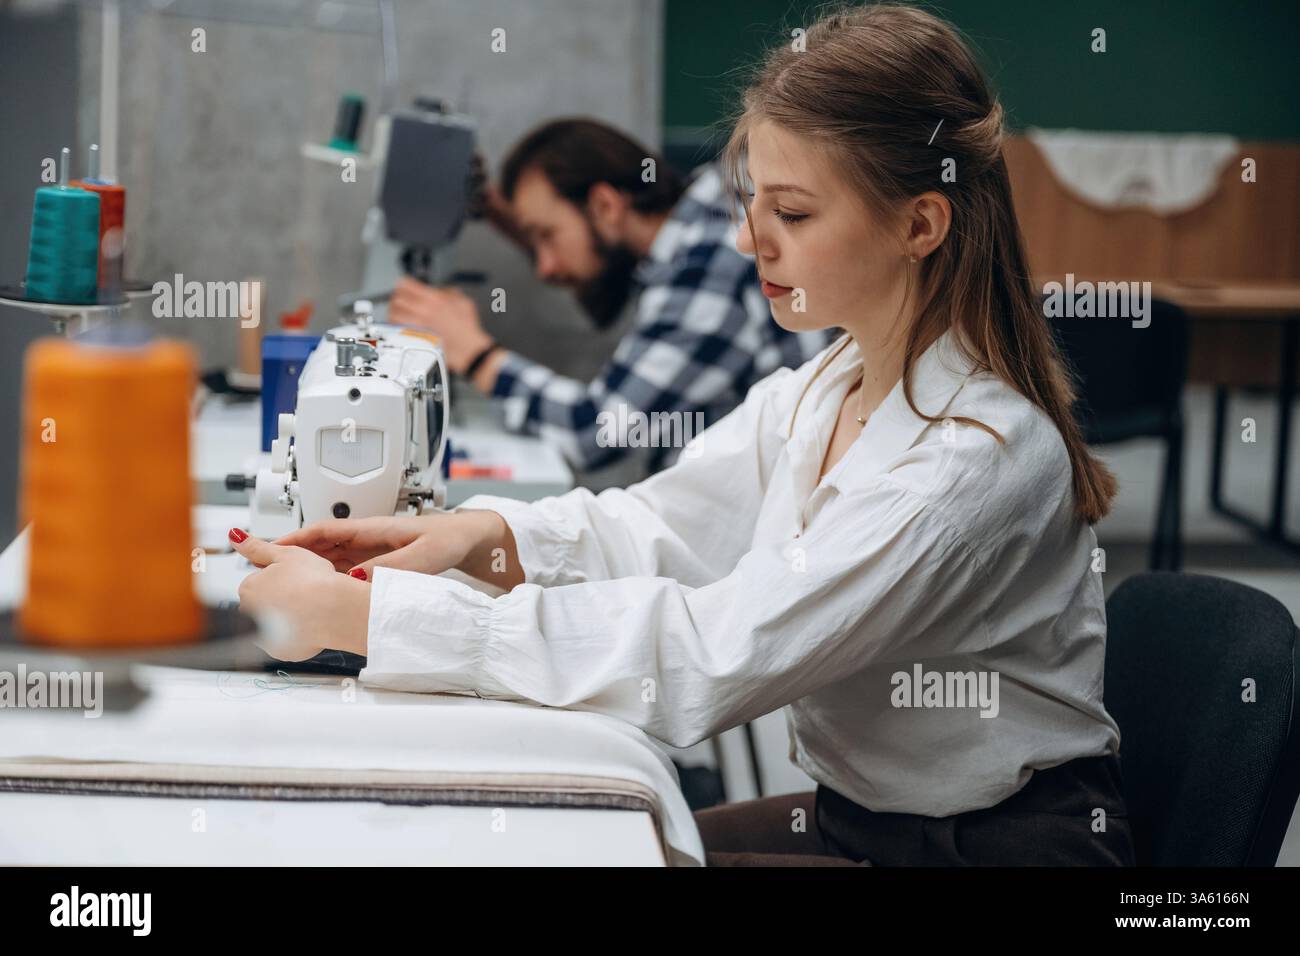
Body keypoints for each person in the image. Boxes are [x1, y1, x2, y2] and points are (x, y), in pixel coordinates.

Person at [230, 3, 1136, 866]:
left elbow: (707, 656)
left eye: (792, 213)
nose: (749, 243)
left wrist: (376, 618)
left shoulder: (968, 461)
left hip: (984, 850)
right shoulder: (828, 384)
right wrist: (477, 539)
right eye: (754, 205)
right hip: (864, 818)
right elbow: (657, 528)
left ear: (920, 223)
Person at [387, 118, 835, 480]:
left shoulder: (709, 262)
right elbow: (603, 288)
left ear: (604, 205)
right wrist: (509, 220)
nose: (544, 268)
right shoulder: (698, 215)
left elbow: (600, 433)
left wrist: (477, 355)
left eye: (546, 235)